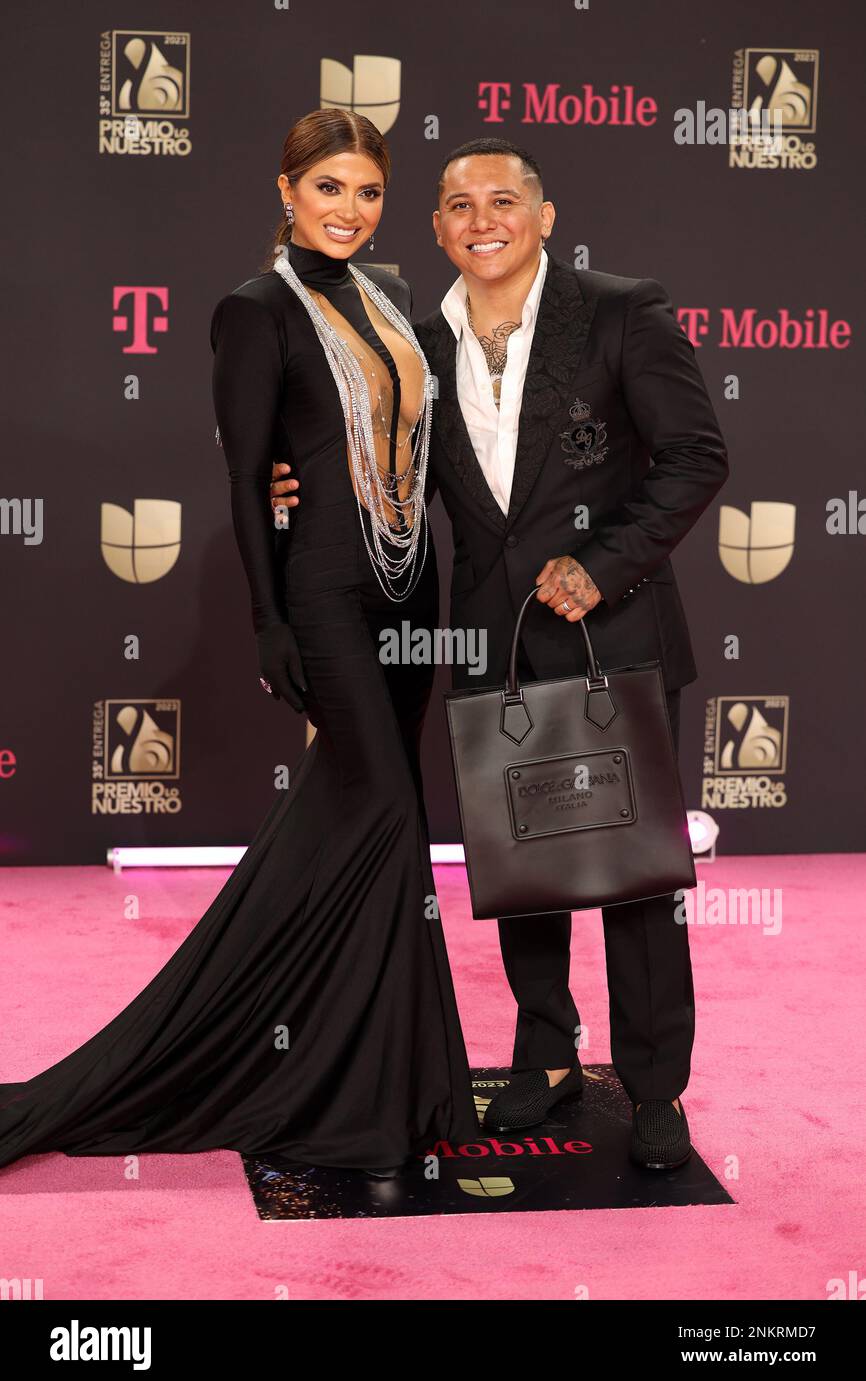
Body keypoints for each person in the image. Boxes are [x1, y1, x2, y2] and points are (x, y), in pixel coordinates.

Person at [0, 108, 479, 1178]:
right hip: (320, 587)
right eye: (327, 189)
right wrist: (269, 620)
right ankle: (358, 1084)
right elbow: (245, 475)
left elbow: (423, 441)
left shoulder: (397, 303)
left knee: (360, 825)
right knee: (388, 817)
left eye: (365, 192)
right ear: (284, 190)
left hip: (411, 588)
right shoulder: (252, 310)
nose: (348, 210)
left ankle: (379, 1066)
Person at [271, 137, 729, 1170]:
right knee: (521, 869)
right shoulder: (410, 343)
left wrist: (602, 565)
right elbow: (379, 479)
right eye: (457, 204)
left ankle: (653, 1088)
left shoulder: (619, 308)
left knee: (636, 880)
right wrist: (289, 489)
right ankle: (543, 1053)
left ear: (543, 215)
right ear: (432, 228)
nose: (481, 219)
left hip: (615, 639)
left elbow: (696, 455)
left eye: (502, 200)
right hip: (489, 640)